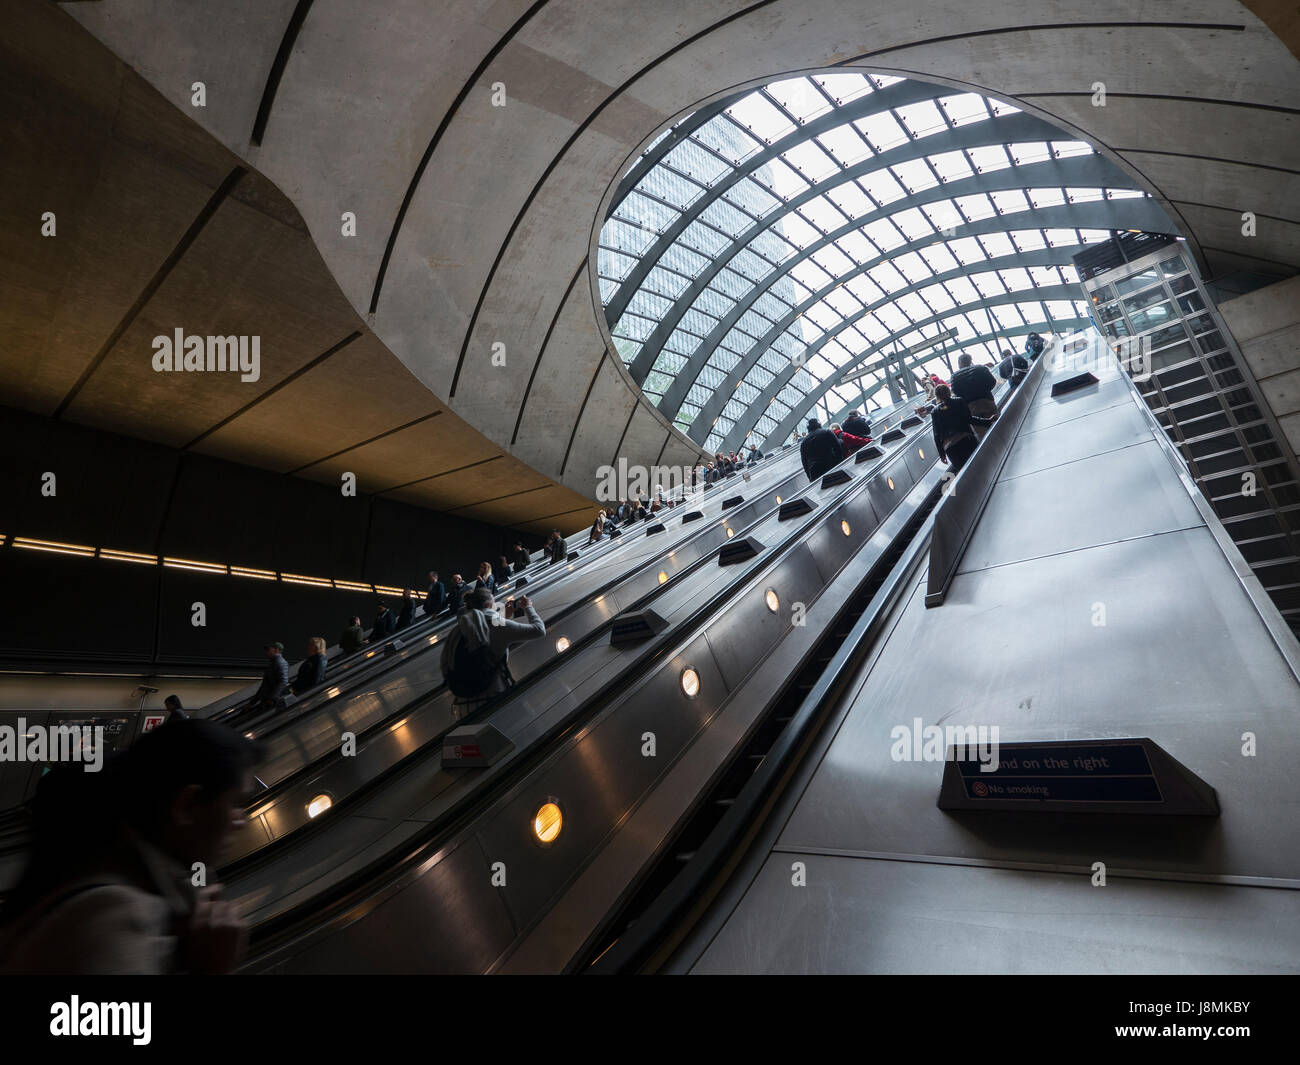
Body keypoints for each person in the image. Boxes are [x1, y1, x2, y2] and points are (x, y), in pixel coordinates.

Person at [0, 719, 261, 974]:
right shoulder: (114, 922)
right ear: (187, 807)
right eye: (236, 802)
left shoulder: (95, 868)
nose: (242, 819)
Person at [440, 585, 546, 720]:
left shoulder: (458, 630)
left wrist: (506, 618)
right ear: (488, 604)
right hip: (495, 705)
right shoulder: (497, 625)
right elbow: (538, 630)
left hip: (463, 709)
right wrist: (528, 607)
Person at [930, 384, 996, 474]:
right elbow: (970, 419)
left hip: (950, 449)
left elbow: (936, 435)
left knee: (965, 474)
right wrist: (988, 421)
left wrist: (942, 455)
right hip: (965, 440)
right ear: (949, 391)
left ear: (937, 396)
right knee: (981, 467)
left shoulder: (934, 412)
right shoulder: (959, 401)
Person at [949, 352, 999, 439]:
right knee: (996, 422)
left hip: (970, 406)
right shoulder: (981, 368)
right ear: (970, 360)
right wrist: (985, 391)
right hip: (986, 400)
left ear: (960, 362)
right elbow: (992, 381)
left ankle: (990, 448)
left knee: (980, 431)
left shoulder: (954, 376)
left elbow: (955, 392)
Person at [800, 418, 844, 482]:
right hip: (830, 464)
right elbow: (837, 447)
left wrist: (809, 476)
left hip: (815, 471)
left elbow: (804, 461)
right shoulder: (827, 432)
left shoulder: (804, 442)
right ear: (819, 424)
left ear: (808, 428)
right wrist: (839, 461)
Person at [250, 642, 289, 711]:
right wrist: (252, 703)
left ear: (276, 650)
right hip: (272, 700)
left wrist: (271, 698)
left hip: (275, 701)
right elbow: (265, 685)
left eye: (268, 650)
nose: (266, 652)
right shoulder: (274, 663)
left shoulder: (279, 662)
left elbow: (283, 681)